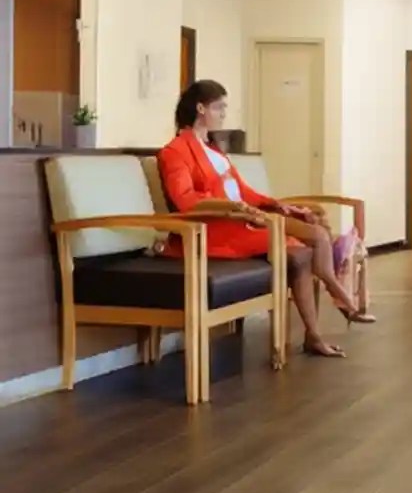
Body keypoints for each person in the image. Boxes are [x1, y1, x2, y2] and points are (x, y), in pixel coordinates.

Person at [158, 80, 375, 358]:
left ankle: (316, 332)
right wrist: (234, 207)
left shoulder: (213, 149)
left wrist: (277, 205)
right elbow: (185, 200)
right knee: (313, 242)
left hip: (242, 220)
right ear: (201, 108)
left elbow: (243, 190)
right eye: (219, 107)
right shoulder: (175, 151)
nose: (224, 113)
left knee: (311, 238)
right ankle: (339, 297)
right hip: (218, 229)